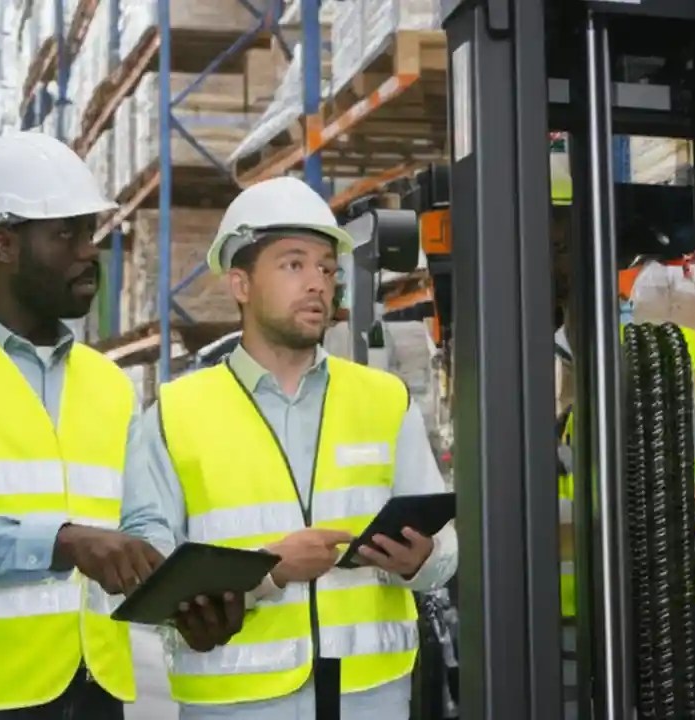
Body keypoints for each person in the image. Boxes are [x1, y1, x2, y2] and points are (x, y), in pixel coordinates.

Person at [0, 130, 243, 720]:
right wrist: (65, 542)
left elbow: (141, 525)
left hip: (95, 692)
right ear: (4, 245)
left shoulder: (107, 382)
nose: (90, 251)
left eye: (90, 233)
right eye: (66, 234)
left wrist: (179, 600)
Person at [135, 176, 459, 719]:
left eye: (327, 269)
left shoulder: (384, 399)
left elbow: (444, 548)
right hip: (235, 704)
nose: (318, 283)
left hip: (369, 698)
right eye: (294, 265)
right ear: (240, 284)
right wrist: (268, 570)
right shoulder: (174, 414)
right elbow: (146, 577)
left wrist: (422, 559)